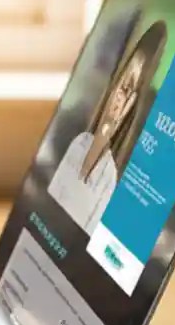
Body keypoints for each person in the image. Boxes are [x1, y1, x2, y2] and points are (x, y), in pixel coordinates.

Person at [48, 21, 168, 233]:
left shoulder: (109, 176)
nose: (121, 98)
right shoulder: (78, 142)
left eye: (130, 91)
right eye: (122, 86)